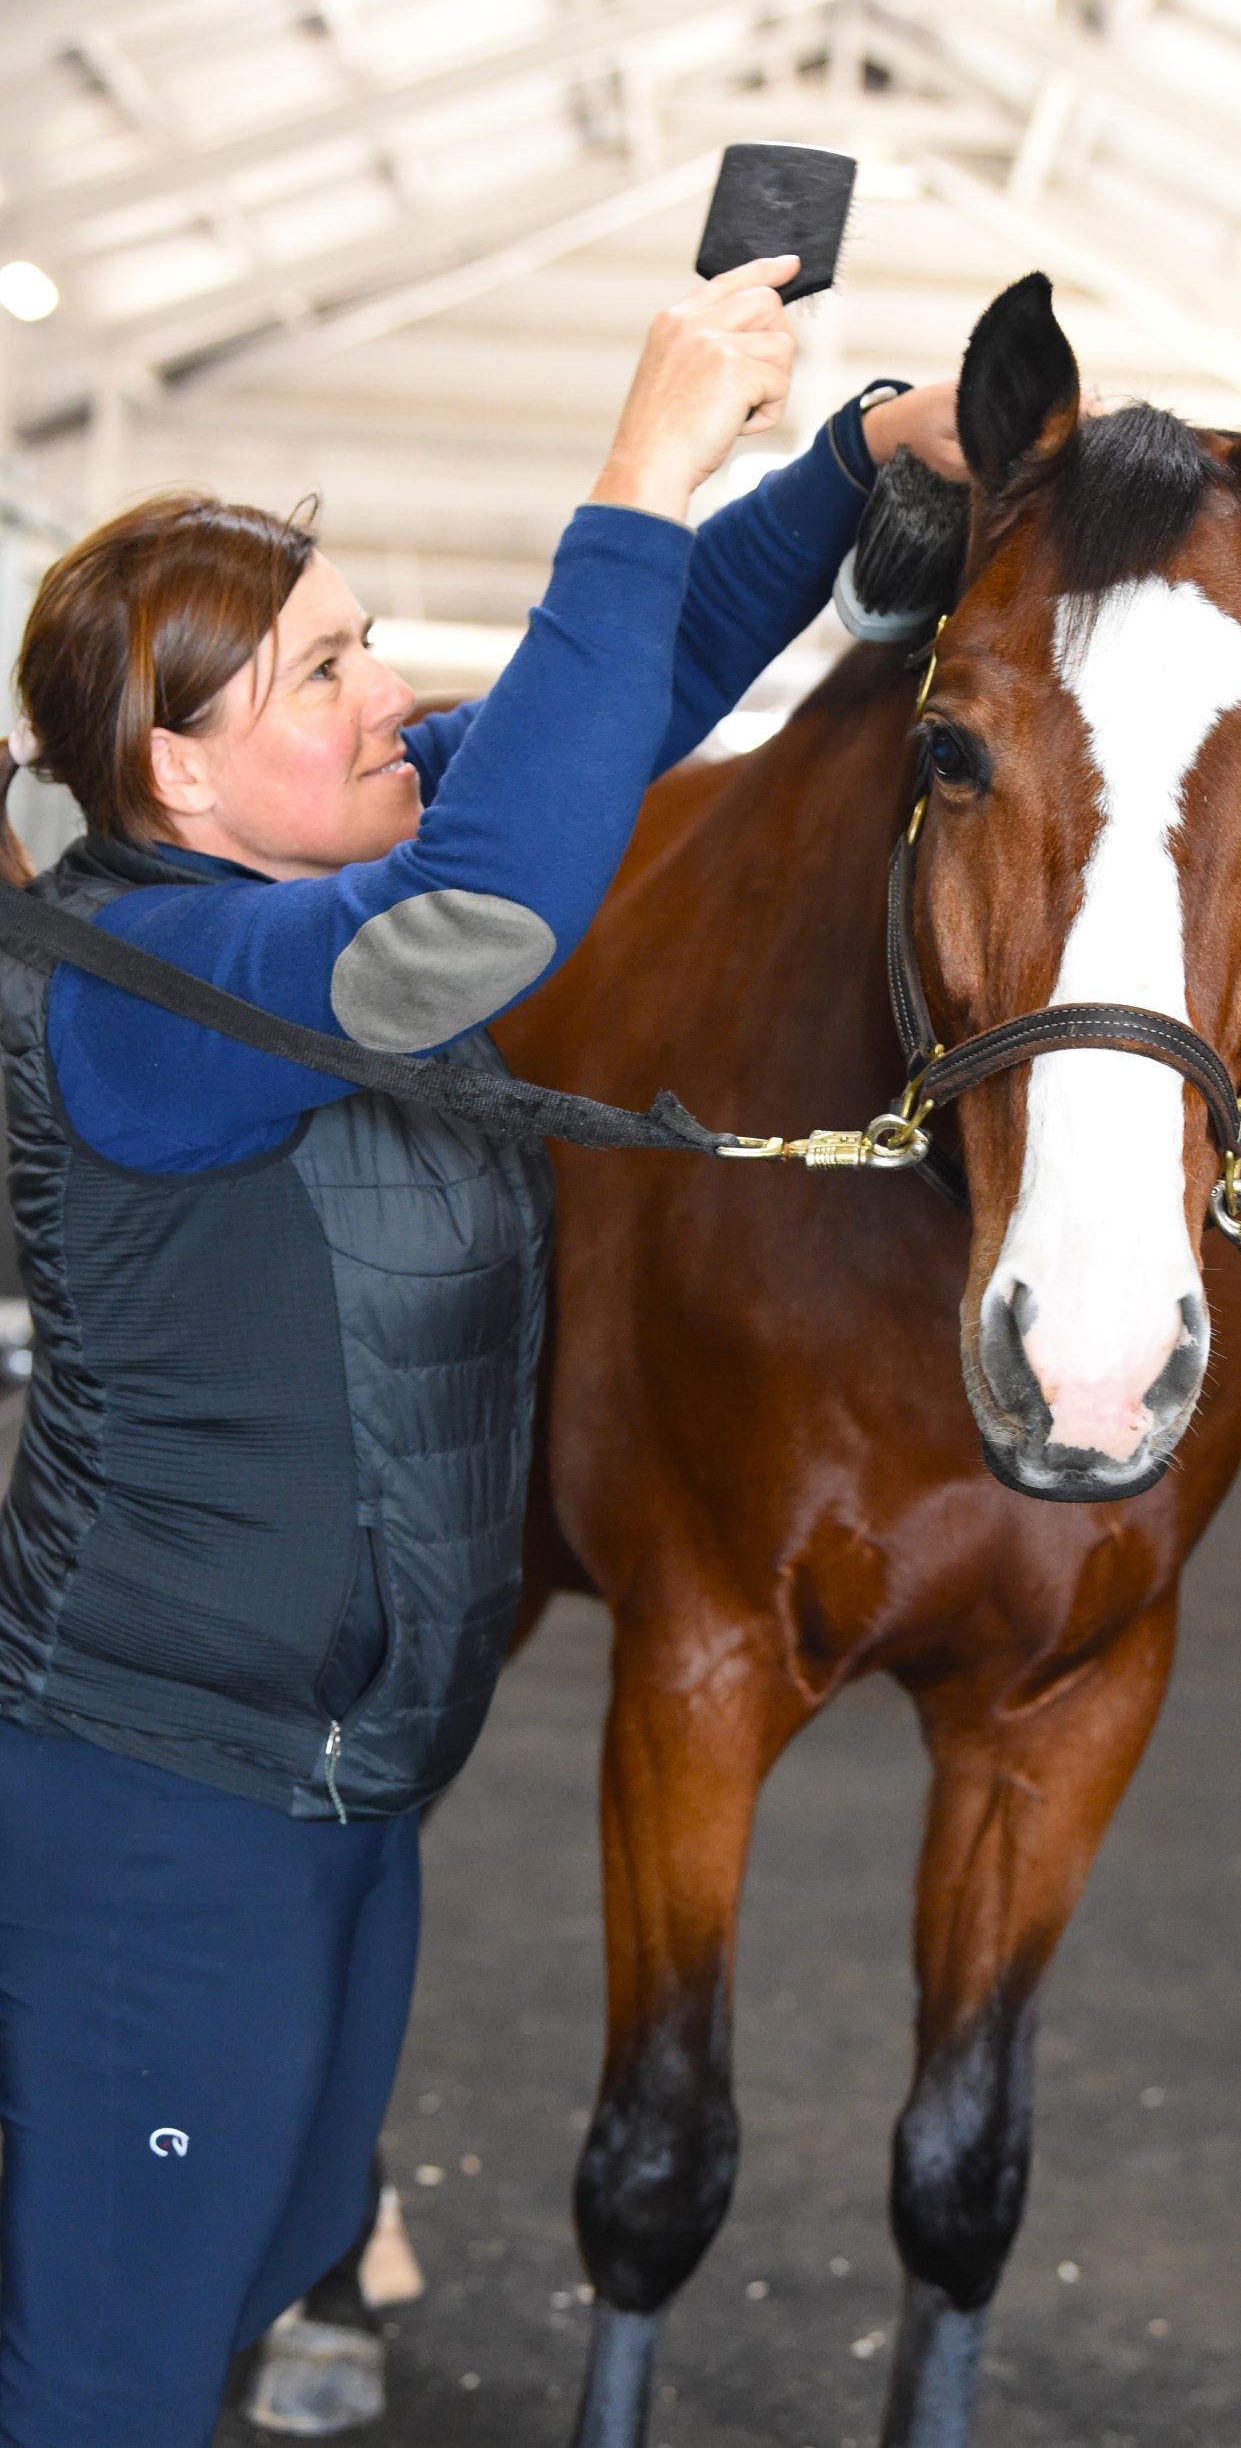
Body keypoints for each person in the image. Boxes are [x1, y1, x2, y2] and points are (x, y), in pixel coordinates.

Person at [0, 251, 964, 2448]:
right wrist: (635, 456)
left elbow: (605, 698)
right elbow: (504, 903)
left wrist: (840, 462)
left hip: (345, 1778)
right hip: (171, 1802)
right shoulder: (168, 982)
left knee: (263, 2245)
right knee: (115, 2367)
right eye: (331, 667)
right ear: (179, 763)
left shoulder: (312, 853)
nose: (389, 688)